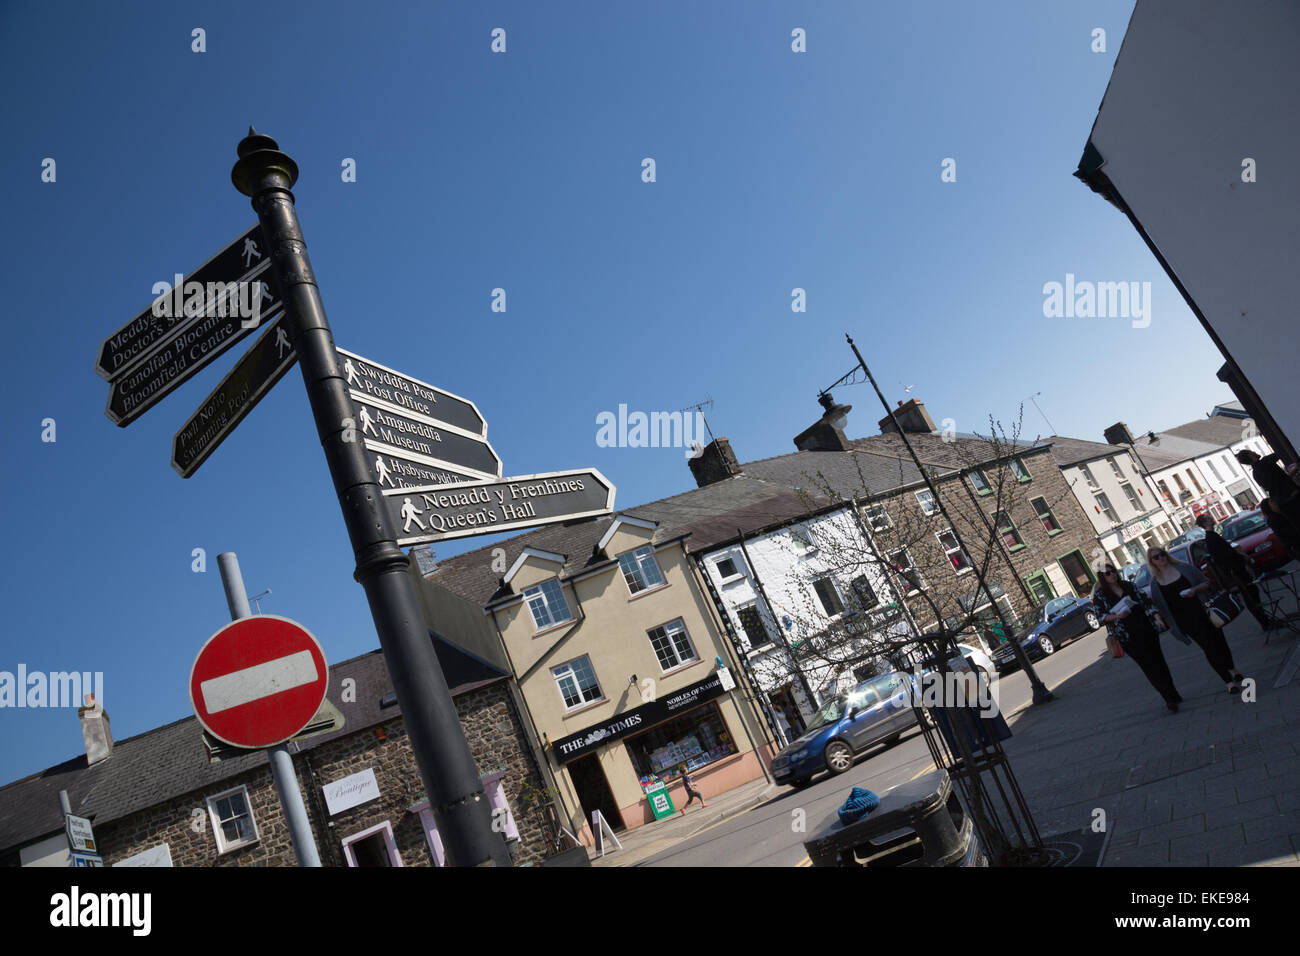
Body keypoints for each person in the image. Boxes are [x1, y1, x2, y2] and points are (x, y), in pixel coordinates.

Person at [1144, 546, 1249, 695]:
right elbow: (1158, 605)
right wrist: (1158, 617)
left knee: (1220, 643)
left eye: (1162, 554)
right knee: (1209, 648)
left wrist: (1194, 590)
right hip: (1186, 621)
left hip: (1205, 612)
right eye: (1156, 557)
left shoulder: (1184, 568)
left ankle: (1232, 669)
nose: (1161, 558)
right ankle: (1229, 682)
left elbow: (1206, 582)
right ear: (1152, 562)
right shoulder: (1155, 583)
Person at [1092, 564, 1182, 712]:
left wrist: (1156, 616)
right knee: (1148, 666)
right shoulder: (1101, 595)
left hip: (1146, 629)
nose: (1112, 575)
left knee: (1159, 662)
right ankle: (1168, 697)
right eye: (1108, 574)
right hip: (1127, 636)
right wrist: (1116, 616)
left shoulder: (1128, 586)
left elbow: (1146, 601)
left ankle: (1172, 692)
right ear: (1103, 578)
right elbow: (1100, 617)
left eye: (1113, 571)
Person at [1196, 514, 1276, 630]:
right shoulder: (1211, 538)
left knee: (1252, 593)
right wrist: (1236, 563)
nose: (1213, 518)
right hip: (1236, 571)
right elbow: (1222, 557)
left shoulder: (1212, 536)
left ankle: (1265, 619)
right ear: (1205, 523)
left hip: (1236, 570)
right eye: (1209, 518)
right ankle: (1265, 622)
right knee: (1250, 595)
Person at [1237, 449, 1300, 525]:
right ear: (1250, 455)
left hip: (1282, 503)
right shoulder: (1266, 461)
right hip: (1294, 495)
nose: (1254, 451)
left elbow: (1272, 485)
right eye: (1252, 451)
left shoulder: (1255, 474)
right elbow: (1282, 451)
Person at [1260, 496, 1300, 562]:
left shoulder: (1281, 514)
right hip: (1295, 545)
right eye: (1273, 503)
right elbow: (1289, 532)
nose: (1276, 504)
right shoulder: (1275, 519)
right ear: (1268, 507)